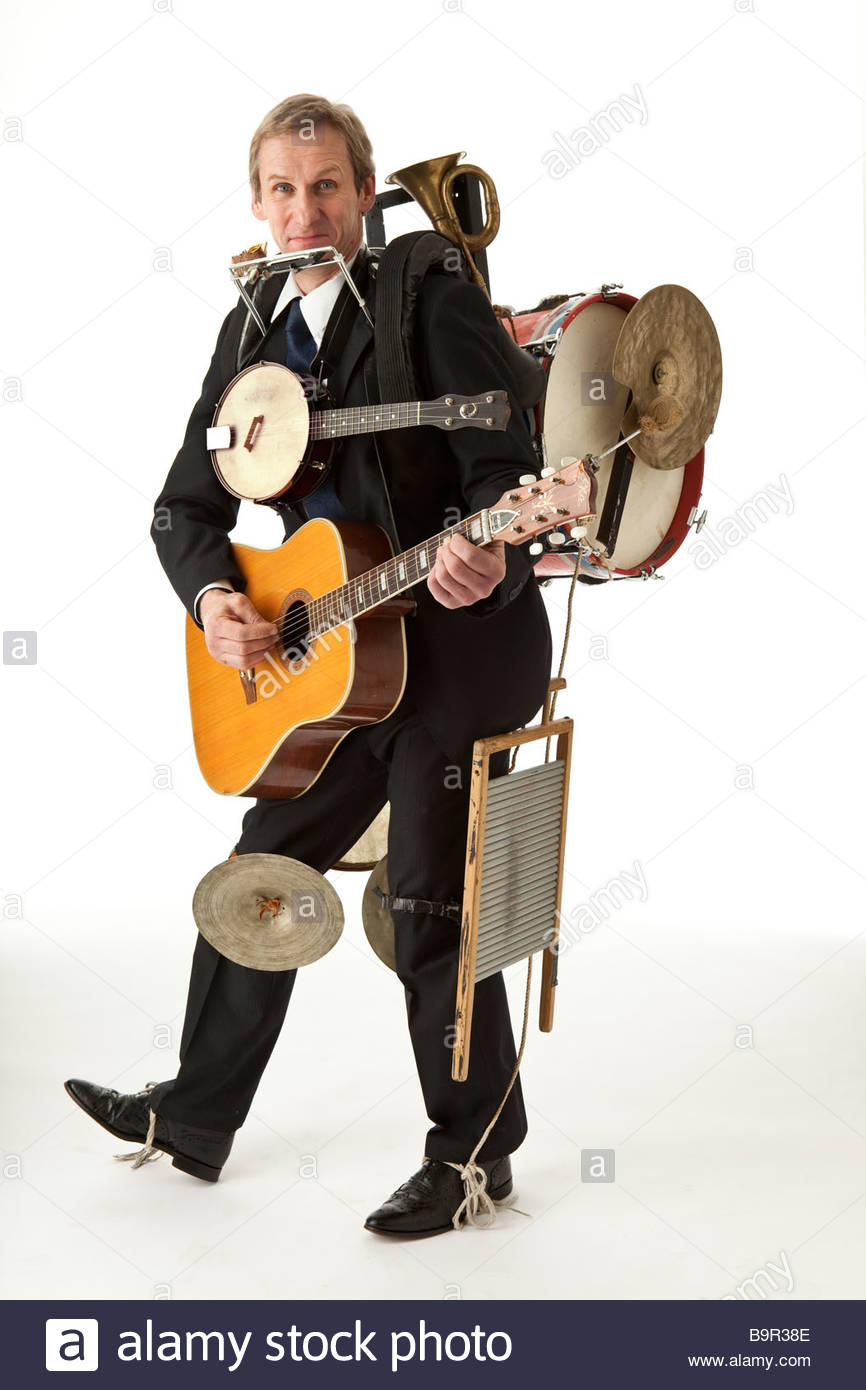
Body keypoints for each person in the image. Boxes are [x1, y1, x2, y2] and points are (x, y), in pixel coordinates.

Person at [65, 94, 552, 1238]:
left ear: (361, 193)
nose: (302, 211)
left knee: (428, 902)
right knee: (259, 871)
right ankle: (191, 1116)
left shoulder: (426, 298)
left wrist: (490, 556)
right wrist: (217, 597)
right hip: (330, 672)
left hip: (456, 652)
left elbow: (511, 468)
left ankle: (475, 1155)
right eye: (281, 190)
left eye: (325, 186)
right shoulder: (246, 335)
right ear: (254, 204)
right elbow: (180, 508)